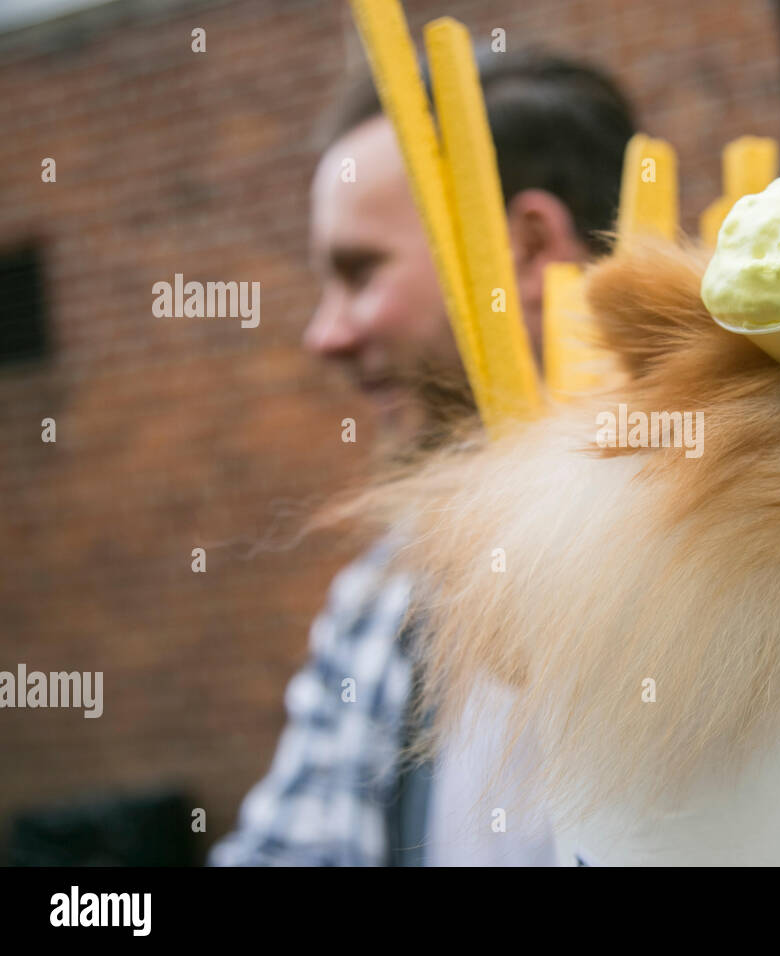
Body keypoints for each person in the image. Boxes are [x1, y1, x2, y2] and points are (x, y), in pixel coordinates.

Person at [208, 49, 636, 866]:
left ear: (529, 245)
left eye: (359, 272)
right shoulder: (382, 602)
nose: (324, 335)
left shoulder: (758, 544)